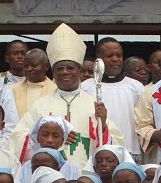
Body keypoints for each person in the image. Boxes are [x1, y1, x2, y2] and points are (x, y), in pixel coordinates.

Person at [15, 24, 121, 168]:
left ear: (79, 70)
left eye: (70, 68)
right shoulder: (41, 105)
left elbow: (117, 145)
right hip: (49, 176)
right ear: (53, 72)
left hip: (85, 177)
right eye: (59, 68)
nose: (64, 72)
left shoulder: (93, 106)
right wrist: (49, 137)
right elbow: (17, 138)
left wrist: (102, 127)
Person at [81, 39, 146, 165]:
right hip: (97, 149)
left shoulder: (136, 87)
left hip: (129, 149)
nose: (115, 59)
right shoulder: (86, 87)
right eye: (110, 56)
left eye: (119, 55)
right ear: (98, 59)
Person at [11, 48, 57, 121]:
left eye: (34, 65)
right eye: (26, 66)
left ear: (46, 66)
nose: (29, 69)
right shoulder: (12, 90)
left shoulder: (56, 91)